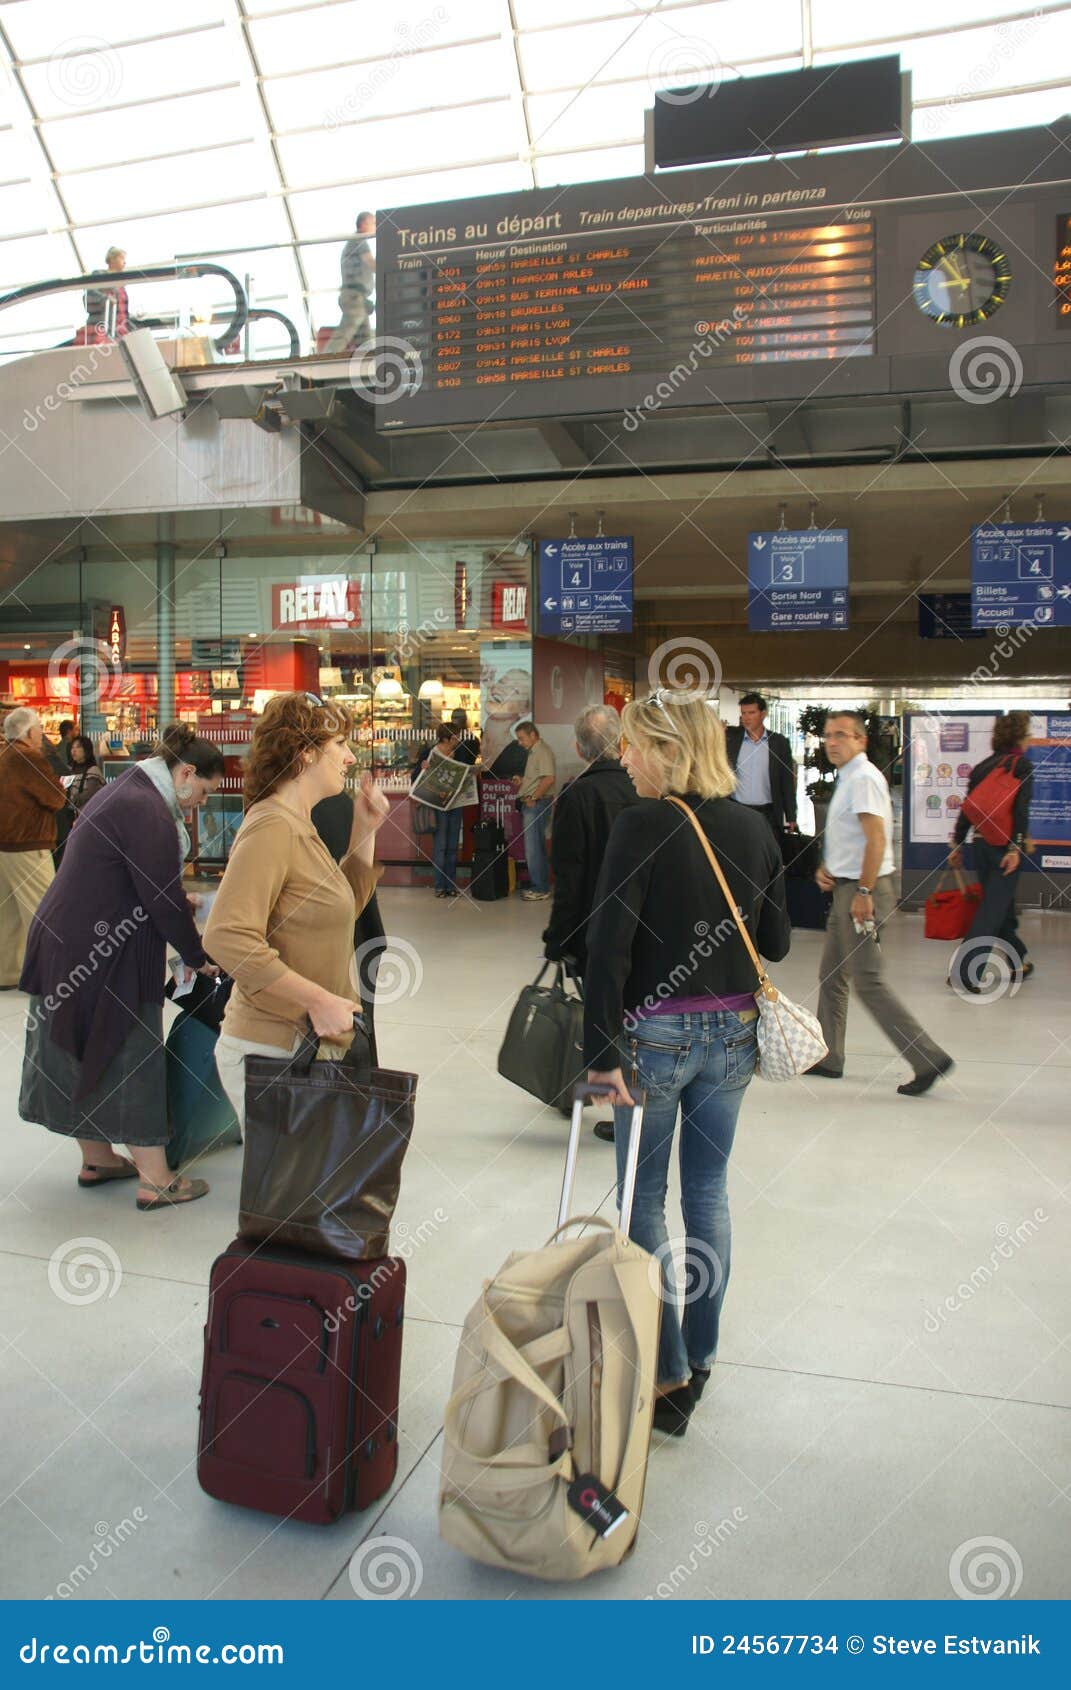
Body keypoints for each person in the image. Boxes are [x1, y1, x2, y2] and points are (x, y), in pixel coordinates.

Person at [583, 690, 790, 1437]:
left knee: (641, 1202)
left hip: (653, 1042)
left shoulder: (638, 825)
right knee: (707, 1194)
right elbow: (775, 941)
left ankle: (663, 1367)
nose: (623, 758)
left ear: (669, 752)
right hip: (732, 1037)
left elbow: (605, 947)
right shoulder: (751, 825)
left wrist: (598, 1054)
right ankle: (698, 1357)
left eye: (634, 746)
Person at [18, 723, 225, 1209]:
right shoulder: (146, 809)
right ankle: (156, 1179)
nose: (201, 803)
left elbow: (135, 880)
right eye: (202, 792)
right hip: (97, 953)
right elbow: (158, 897)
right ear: (186, 772)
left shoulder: (129, 790)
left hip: (68, 942)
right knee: (128, 1050)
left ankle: (99, 1158)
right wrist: (198, 957)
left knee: (78, 1046)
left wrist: (177, 899)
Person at [204, 694, 388, 1128]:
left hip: (304, 1046)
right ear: (305, 753)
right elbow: (226, 936)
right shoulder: (273, 826)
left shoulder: (299, 821)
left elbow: (340, 908)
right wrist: (318, 999)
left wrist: (364, 829)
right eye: (339, 744)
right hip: (274, 1049)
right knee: (295, 1191)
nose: (349, 756)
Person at [809, 710, 953, 1094]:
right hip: (847, 887)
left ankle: (927, 1057)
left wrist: (864, 892)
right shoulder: (849, 779)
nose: (832, 741)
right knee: (831, 975)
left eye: (841, 735)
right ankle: (829, 1056)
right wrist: (830, 867)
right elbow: (853, 839)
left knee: (868, 981)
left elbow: (876, 840)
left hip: (864, 892)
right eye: (828, 735)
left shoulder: (865, 779)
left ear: (860, 740)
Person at [543, 704, 637, 976]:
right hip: (643, 927)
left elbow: (568, 877)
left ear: (579, 749)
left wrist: (558, 938)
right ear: (620, 741)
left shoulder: (576, 796)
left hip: (593, 929)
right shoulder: (644, 788)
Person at [948, 711, 1034, 992]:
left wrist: (958, 843)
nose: (1030, 736)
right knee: (990, 912)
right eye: (1028, 732)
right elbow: (1021, 812)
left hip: (980, 845)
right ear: (1020, 736)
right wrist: (1015, 848)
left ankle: (1018, 960)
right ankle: (965, 973)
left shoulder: (982, 767)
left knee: (1001, 909)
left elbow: (967, 808)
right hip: (1004, 850)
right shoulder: (1022, 766)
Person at [311, 789, 388, 1064]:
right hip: (352, 940)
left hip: (329, 952)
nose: (349, 757)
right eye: (341, 744)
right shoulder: (288, 815)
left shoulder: (303, 810)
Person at [0, 709, 66, 989]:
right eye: (39, 730)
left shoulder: (3, 755)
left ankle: (7, 973)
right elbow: (56, 797)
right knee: (45, 911)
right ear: (28, 733)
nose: (42, 736)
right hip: (29, 844)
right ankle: (51, 975)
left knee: (9, 914)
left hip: (4, 846)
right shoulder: (28, 757)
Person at [724, 692, 797, 832]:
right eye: (743, 713)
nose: (746, 718)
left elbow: (787, 781)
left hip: (768, 812)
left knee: (768, 852)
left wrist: (791, 816)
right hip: (738, 809)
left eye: (751, 713)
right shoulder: (731, 739)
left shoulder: (779, 743)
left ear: (763, 714)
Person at [513, 720, 556, 900]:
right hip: (534, 803)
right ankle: (540, 886)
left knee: (533, 849)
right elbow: (539, 778)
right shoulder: (535, 751)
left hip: (536, 805)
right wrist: (523, 782)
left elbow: (549, 779)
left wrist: (533, 797)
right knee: (536, 847)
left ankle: (540, 888)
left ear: (533, 735)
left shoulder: (541, 751)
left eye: (522, 738)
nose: (519, 742)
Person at [324, 213, 375, 353]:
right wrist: (388, 268)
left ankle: (368, 362)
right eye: (373, 223)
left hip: (357, 296)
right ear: (364, 223)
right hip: (354, 295)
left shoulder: (354, 242)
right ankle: (328, 355)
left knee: (365, 338)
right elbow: (371, 263)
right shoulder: (359, 241)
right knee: (347, 330)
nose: (375, 227)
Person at [424, 724, 464, 899]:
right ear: (446, 738)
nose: (459, 740)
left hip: (456, 803)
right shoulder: (430, 753)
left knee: (453, 847)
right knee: (441, 847)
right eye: (455, 737)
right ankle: (440, 886)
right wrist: (423, 769)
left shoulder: (460, 753)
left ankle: (451, 885)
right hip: (438, 805)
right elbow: (416, 778)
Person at [85, 245, 133, 338]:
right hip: (105, 328)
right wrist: (107, 299)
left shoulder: (122, 284)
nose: (125, 262)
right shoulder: (99, 274)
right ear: (112, 259)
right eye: (122, 258)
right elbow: (90, 293)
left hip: (121, 331)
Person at [63, 734, 106, 814]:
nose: (74, 750)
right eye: (72, 747)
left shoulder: (93, 771)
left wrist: (71, 800)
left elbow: (90, 793)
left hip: (87, 816)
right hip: (71, 816)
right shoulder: (69, 770)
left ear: (86, 750)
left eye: (78, 747)